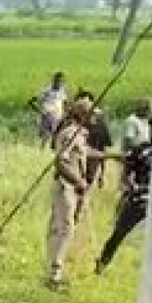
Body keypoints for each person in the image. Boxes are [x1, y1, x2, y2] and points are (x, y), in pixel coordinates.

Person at [46, 101, 106, 289]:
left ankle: (54, 271)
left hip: (73, 188)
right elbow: (61, 162)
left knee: (64, 228)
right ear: (83, 114)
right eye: (91, 114)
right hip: (66, 186)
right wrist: (78, 181)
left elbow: (85, 153)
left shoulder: (80, 135)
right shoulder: (69, 134)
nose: (94, 117)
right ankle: (54, 275)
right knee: (64, 229)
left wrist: (110, 156)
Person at [96, 114, 152, 276]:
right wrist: (132, 186)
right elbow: (127, 170)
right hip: (139, 198)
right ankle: (102, 264)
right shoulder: (142, 149)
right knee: (119, 232)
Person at [28, 72, 67, 145]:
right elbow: (31, 102)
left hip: (58, 118)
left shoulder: (62, 91)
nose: (60, 83)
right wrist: (39, 111)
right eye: (58, 81)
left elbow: (65, 104)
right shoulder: (46, 90)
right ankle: (42, 152)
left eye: (62, 81)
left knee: (56, 138)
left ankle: (50, 152)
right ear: (54, 80)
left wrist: (64, 115)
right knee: (45, 137)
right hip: (47, 116)